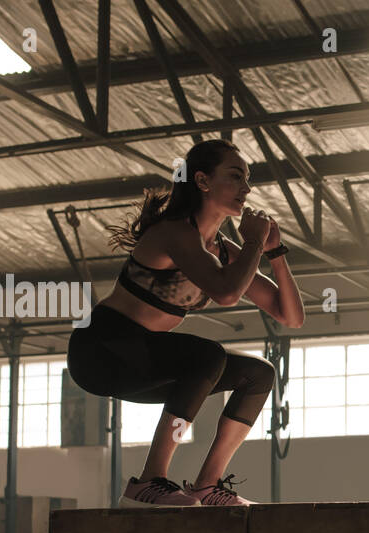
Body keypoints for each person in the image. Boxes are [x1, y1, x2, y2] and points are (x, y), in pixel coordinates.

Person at [67, 138, 304, 507]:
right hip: (102, 351)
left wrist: (274, 253)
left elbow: (290, 315)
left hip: (148, 361)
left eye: (249, 179)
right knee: (206, 356)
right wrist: (254, 246)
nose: (247, 188)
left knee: (259, 374)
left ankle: (207, 485)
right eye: (236, 176)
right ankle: (148, 480)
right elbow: (226, 293)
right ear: (203, 181)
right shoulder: (175, 233)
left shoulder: (223, 249)